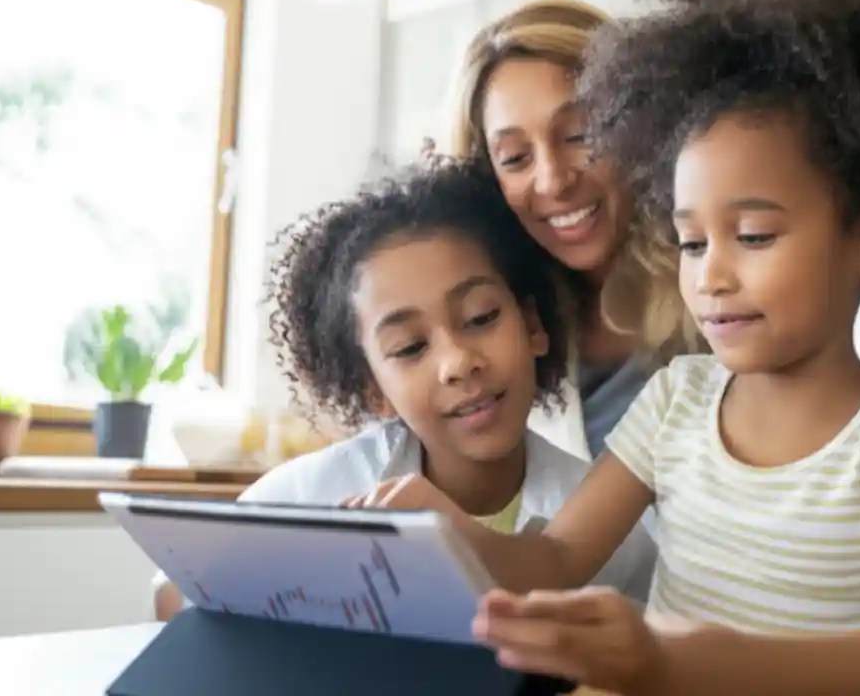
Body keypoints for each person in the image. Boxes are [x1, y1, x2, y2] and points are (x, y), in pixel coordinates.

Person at [354, 0, 860, 693]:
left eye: (752, 235)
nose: (711, 277)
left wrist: (681, 662)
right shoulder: (676, 401)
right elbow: (556, 560)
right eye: (690, 243)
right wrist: (445, 534)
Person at [152, 160, 656, 620]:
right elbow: (171, 594)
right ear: (375, 390)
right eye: (411, 347)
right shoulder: (312, 495)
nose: (457, 363)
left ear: (532, 326)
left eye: (481, 318)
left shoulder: (608, 524)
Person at [446, 0, 699, 463]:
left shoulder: (719, 287)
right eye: (516, 159)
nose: (554, 180)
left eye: (580, 135)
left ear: (644, 122)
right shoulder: (511, 329)